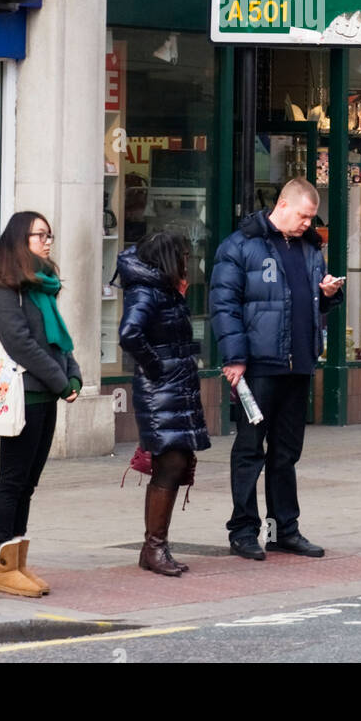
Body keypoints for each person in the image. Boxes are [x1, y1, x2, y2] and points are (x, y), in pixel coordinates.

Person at [209, 177, 344, 561]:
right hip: (260, 365)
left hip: (298, 362)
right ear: (283, 205)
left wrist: (328, 295)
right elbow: (224, 305)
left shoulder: (311, 248)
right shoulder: (240, 246)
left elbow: (311, 301)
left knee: (287, 452)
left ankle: (285, 529)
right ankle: (243, 530)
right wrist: (234, 358)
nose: (308, 225)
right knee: (250, 449)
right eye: (304, 216)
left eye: (312, 219)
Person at [0, 211, 81, 597]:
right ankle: (2, 563)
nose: (48, 241)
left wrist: (73, 376)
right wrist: (59, 379)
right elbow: (21, 343)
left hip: (44, 396)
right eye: (40, 235)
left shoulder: (40, 286)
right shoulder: (4, 286)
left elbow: (59, 341)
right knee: (13, 479)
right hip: (20, 395)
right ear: (21, 238)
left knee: (29, 483)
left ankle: (16, 562)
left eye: (50, 235)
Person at [116, 230, 211, 577]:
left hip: (172, 390)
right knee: (169, 465)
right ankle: (154, 547)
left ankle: (155, 547)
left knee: (176, 462)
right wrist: (157, 369)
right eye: (185, 256)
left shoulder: (162, 290)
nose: (189, 262)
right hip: (162, 392)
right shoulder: (147, 291)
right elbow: (130, 333)